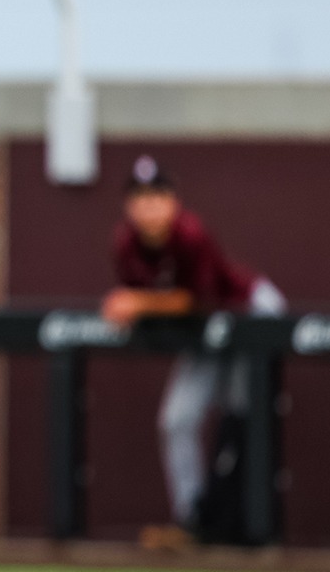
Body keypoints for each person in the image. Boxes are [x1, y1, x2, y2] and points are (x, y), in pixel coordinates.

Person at [100, 155, 284, 545]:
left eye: (157, 196)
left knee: (243, 414)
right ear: (128, 205)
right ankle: (191, 521)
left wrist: (137, 303)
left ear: (174, 201)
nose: (149, 206)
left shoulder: (190, 234)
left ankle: (246, 526)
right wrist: (132, 307)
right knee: (177, 420)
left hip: (247, 310)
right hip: (202, 337)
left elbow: (196, 301)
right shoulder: (125, 243)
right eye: (140, 197)